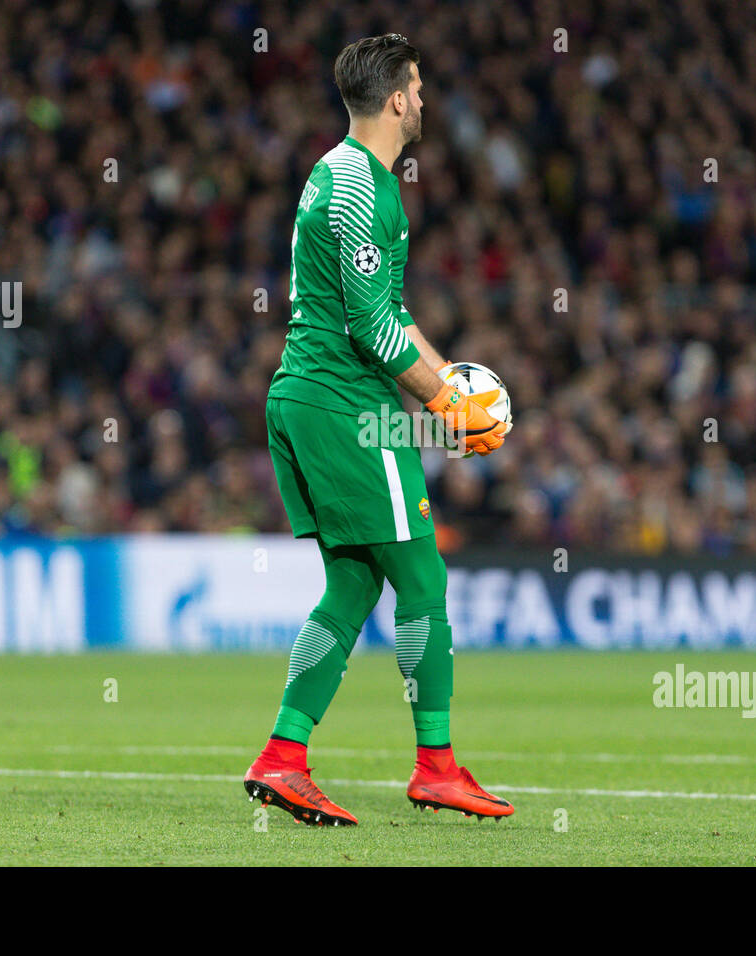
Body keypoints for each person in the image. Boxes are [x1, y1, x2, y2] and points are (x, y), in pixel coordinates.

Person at [243, 34, 513, 825]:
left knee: (355, 583)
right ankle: (436, 768)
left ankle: (284, 756)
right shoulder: (364, 188)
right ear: (397, 97)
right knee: (424, 580)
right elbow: (368, 328)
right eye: (420, 88)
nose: (425, 100)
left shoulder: (340, 173)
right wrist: (443, 403)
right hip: (346, 407)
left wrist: (450, 376)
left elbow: (391, 315)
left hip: (306, 398)